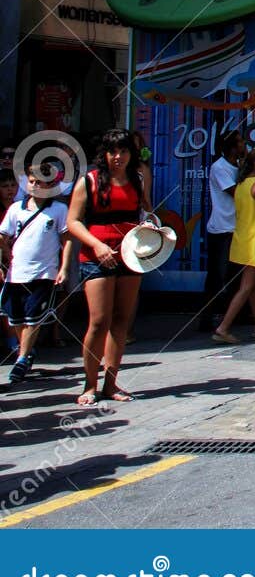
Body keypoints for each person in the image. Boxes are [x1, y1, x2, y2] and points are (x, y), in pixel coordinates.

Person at [65, 129, 146, 404]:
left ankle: (111, 384)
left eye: (123, 151)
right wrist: (97, 245)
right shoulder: (88, 181)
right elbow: (73, 221)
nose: (118, 157)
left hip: (130, 255)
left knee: (122, 320)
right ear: (105, 154)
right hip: (96, 255)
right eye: (113, 151)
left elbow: (142, 212)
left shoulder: (137, 179)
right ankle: (89, 385)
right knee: (99, 321)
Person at [1, 164, 72, 384]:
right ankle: (27, 350)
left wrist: (64, 267)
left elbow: (67, 239)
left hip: (43, 272)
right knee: (16, 317)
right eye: (32, 182)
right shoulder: (16, 209)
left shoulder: (58, 209)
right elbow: (3, 235)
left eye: (40, 182)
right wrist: (4, 257)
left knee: (33, 318)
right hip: (16, 272)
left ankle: (22, 358)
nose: (34, 186)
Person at [212, 149, 255, 344]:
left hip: (242, 237)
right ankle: (223, 328)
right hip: (254, 239)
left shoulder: (240, 185)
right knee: (247, 286)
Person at [201, 131, 246, 329]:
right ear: (232, 147)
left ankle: (232, 315)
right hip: (222, 228)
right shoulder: (219, 167)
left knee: (235, 274)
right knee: (217, 275)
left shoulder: (237, 166)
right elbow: (235, 192)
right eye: (240, 142)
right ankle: (207, 317)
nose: (244, 145)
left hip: (236, 226)